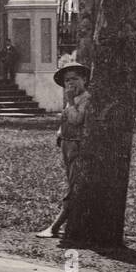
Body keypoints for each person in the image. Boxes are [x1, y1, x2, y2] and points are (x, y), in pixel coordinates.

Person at [36, 55, 92, 239]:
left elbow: (77, 119)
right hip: (67, 145)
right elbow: (66, 120)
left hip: (77, 146)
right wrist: (60, 133)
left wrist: (70, 102)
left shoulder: (85, 99)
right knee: (71, 182)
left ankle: (55, 227)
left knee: (74, 187)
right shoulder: (72, 99)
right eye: (67, 80)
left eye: (75, 78)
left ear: (84, 80)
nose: (71, 83)